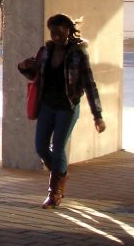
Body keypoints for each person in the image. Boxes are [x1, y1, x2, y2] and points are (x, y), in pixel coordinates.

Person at [18, 13, 105, 208]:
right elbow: (35, 76)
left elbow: (89, 84)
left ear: (68, 31)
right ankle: (61, 173)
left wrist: (97, 116)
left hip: (67, 107)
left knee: (58, 148)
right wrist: (23, 67)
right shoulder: (45, 52)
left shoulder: (78, 54)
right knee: (41, 147)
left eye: (59, 31)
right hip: (46, 106)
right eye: (52, 32)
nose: (56, 36)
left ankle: (54, 192)